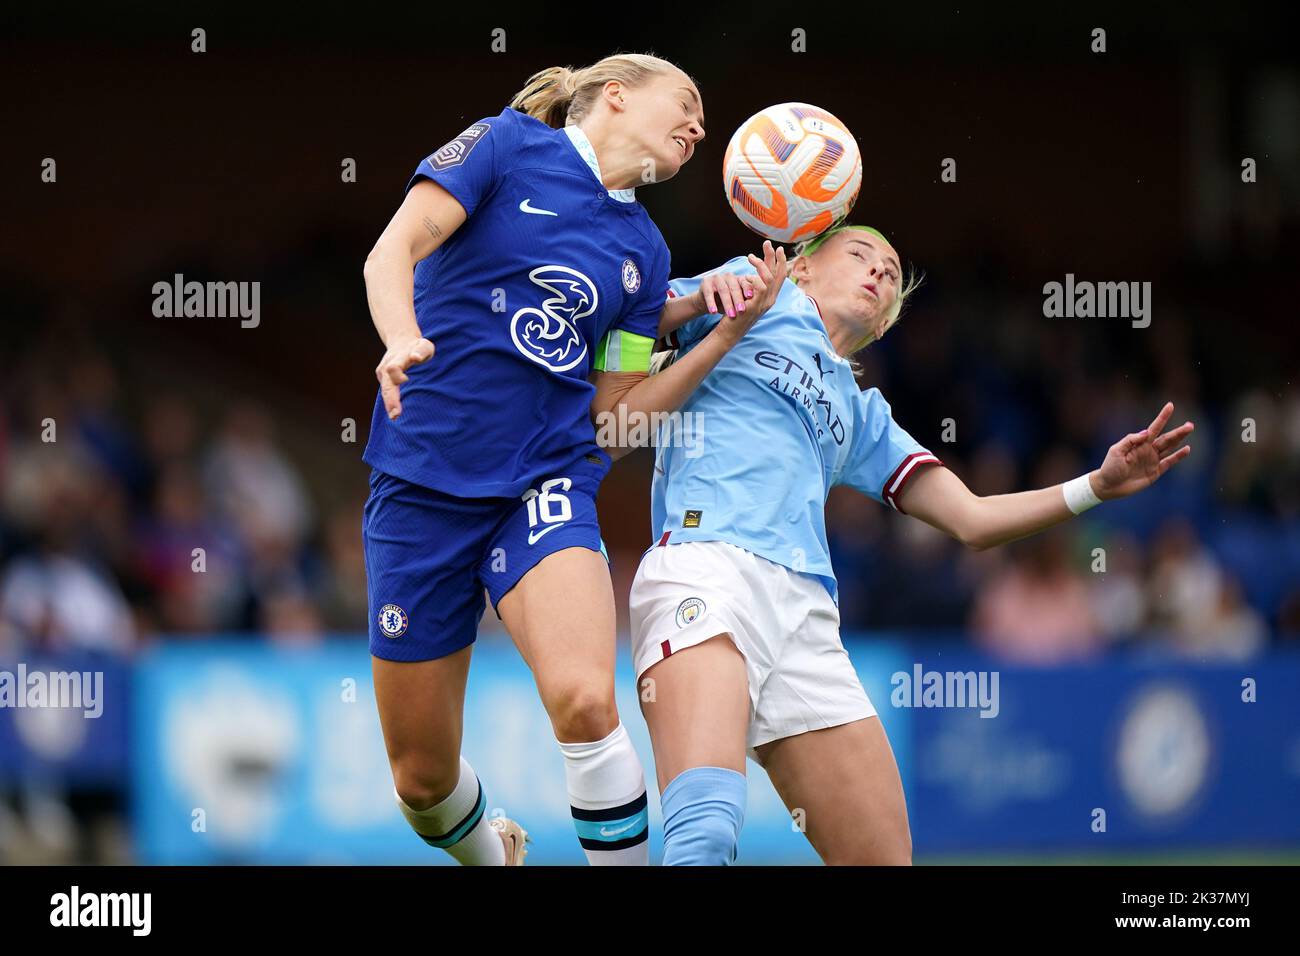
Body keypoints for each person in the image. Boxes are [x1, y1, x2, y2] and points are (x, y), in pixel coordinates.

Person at [629, 223, 1194, 864]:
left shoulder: (863, 412)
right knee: (704, 836)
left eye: (893, 273)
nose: (879, 272)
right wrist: (710, 302)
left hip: (807, 616)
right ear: (805, 268)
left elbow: (973, 519)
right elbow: (627, 325)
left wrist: (1095, 485)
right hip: (707, 569)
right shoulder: (757, 292)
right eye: (860, 254)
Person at [359, 51, 785, 866]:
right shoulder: (505, 145)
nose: (702, 125)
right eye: (686, 103)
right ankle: (497, 854)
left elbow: (616, 417)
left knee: (587, 699)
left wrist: (716, 331)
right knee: (420, 779)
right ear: (616, 96)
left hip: (544, 478)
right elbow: (392, 251)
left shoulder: (645, 253)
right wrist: (401, 336)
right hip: (421, 480)